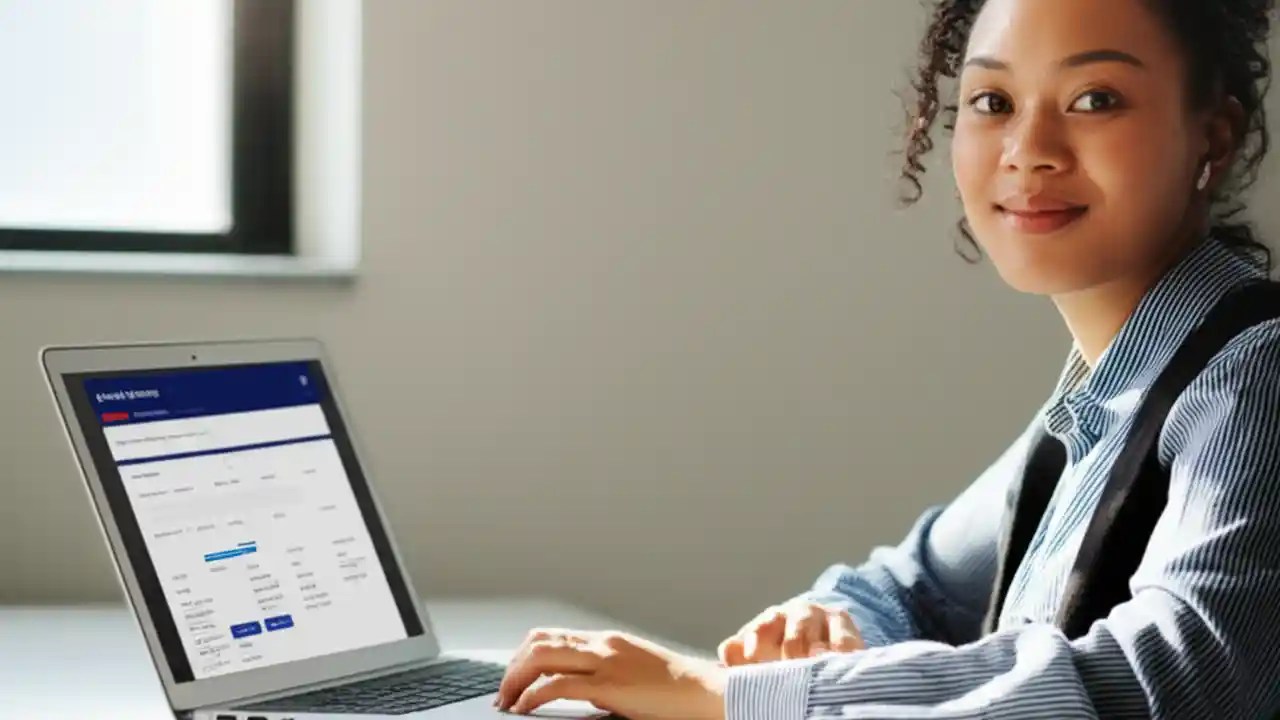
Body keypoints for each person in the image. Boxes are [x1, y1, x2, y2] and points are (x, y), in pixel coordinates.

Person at [494, 0, 1280, 717]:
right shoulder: (1104, 399)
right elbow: (910, 584)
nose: (1028, 150)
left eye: (1094, 100)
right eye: (992, 102)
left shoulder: (1256, 374)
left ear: (1213, 133)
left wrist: (728, 693)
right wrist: (831, 627)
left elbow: (1180, 677)